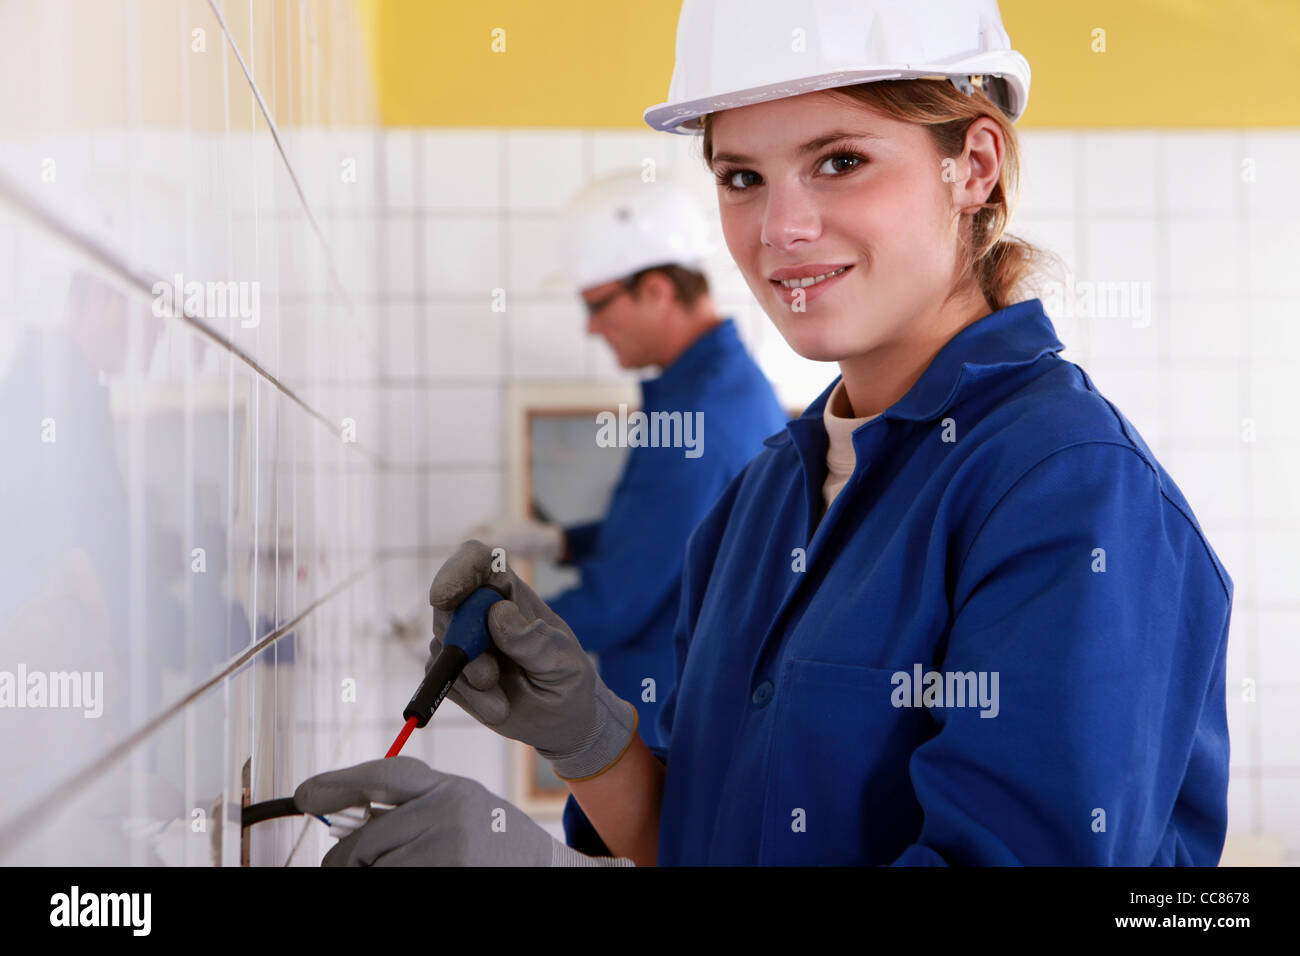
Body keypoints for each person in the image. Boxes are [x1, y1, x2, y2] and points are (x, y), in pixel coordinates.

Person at [296, 0, 1233, 866]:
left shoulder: (1069, 491)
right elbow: (701, 835)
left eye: (840, 161)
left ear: (974, 167)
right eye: (742, 177)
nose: (781, 228)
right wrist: (588, 737)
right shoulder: (764, 500)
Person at [463, 170, 787, 753]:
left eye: (598, 305)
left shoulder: (700, 420)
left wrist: (479, 636)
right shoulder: (720, 392)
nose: (591, 327)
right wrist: (561, 542)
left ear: (657, 291)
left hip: (670, 719)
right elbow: (678, 534)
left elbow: (617, 604)